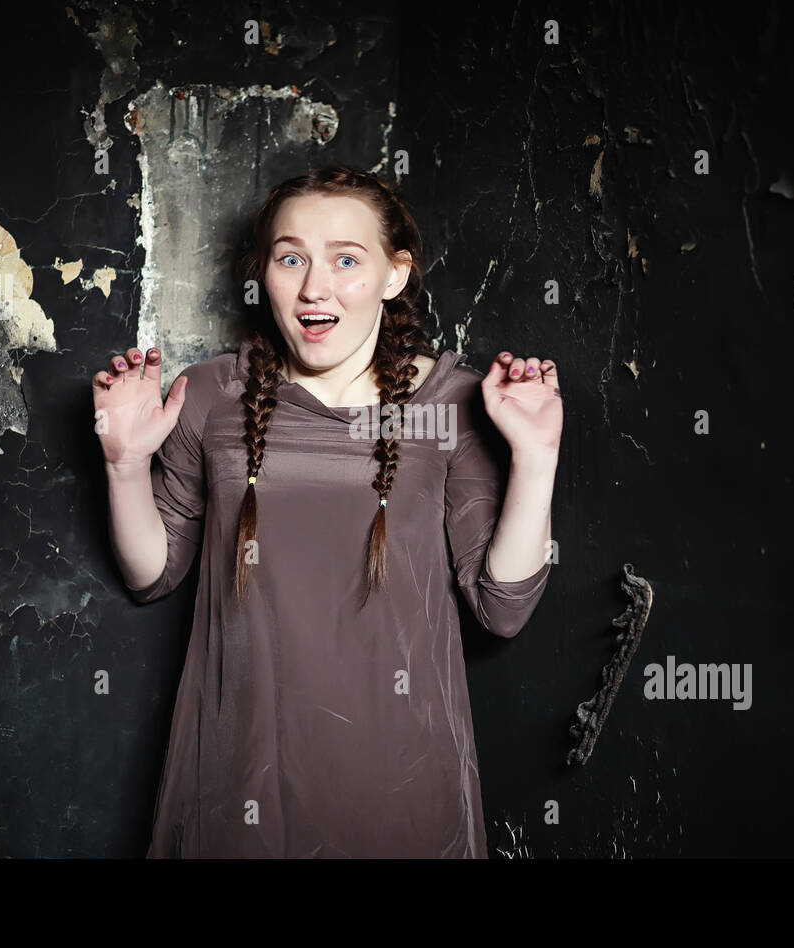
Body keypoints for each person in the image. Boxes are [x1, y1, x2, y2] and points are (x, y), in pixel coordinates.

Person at [94, 163, 562, 857]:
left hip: (401, 783)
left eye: (346, 259)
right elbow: (151, 575)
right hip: (237, 775)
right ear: (265, 271)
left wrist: (537, 455)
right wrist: (124, 464)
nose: (315, 288)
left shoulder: (451, 404)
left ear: (394, 275)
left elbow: (504, 608)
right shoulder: (209, 394)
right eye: (291, 259)